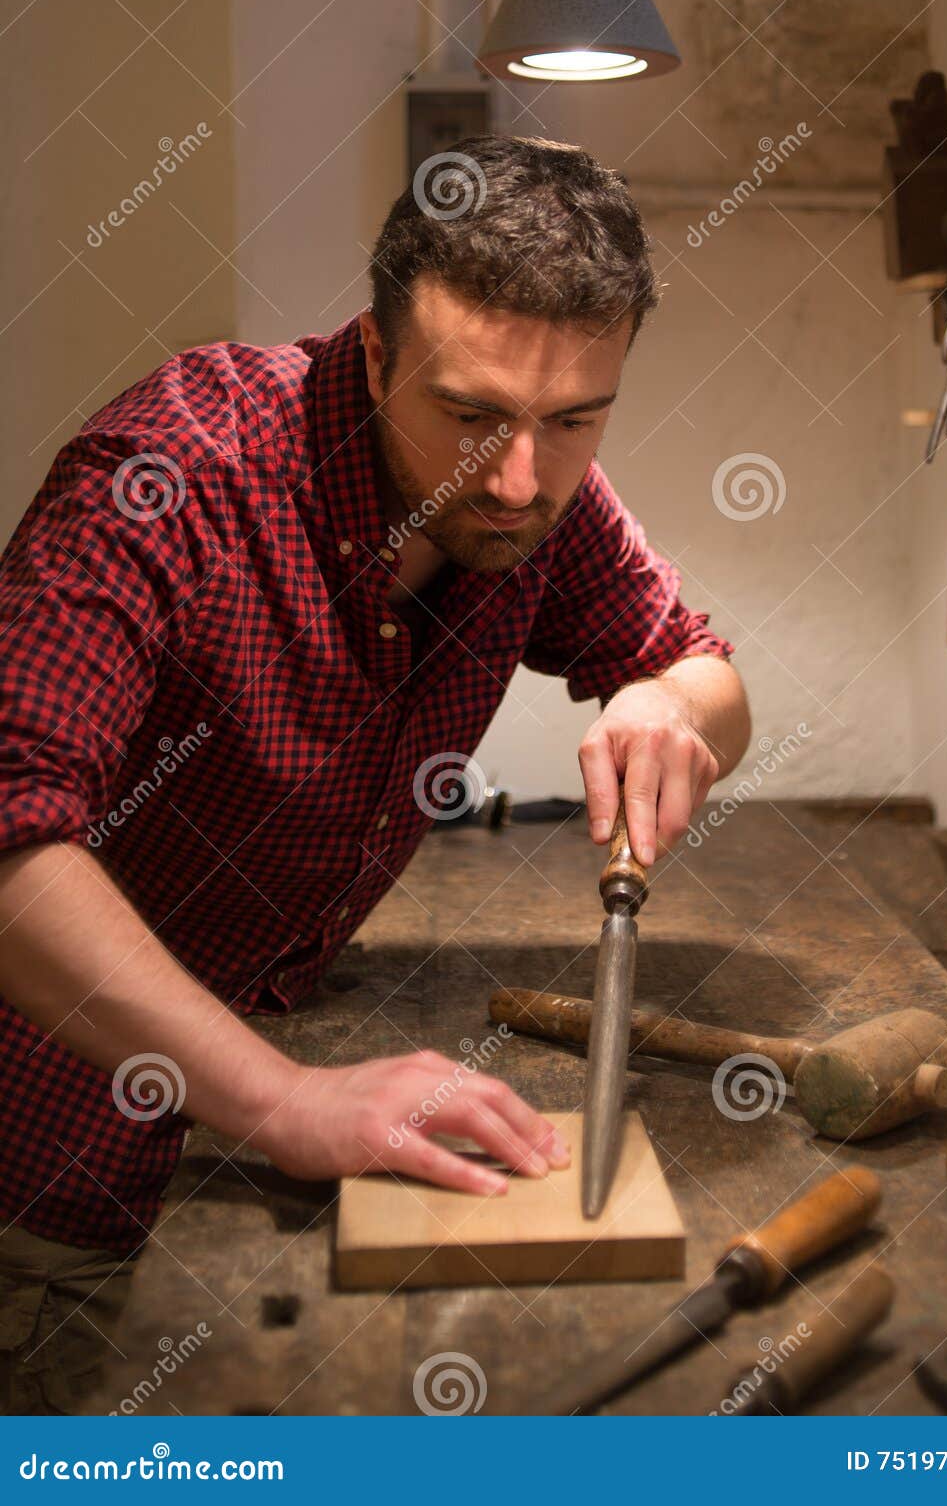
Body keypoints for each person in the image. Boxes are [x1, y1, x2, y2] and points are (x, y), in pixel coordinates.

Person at [0, 134, 750, 1411]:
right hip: (41, 1163)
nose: (518, 476)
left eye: (576, 418)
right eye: (470, 415)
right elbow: (11, 835)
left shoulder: (535, 494)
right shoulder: (173, 475)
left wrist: (668, 702)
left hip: (254, 1134)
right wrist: (285, 1103)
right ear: (372, 354)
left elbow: (706, 670)